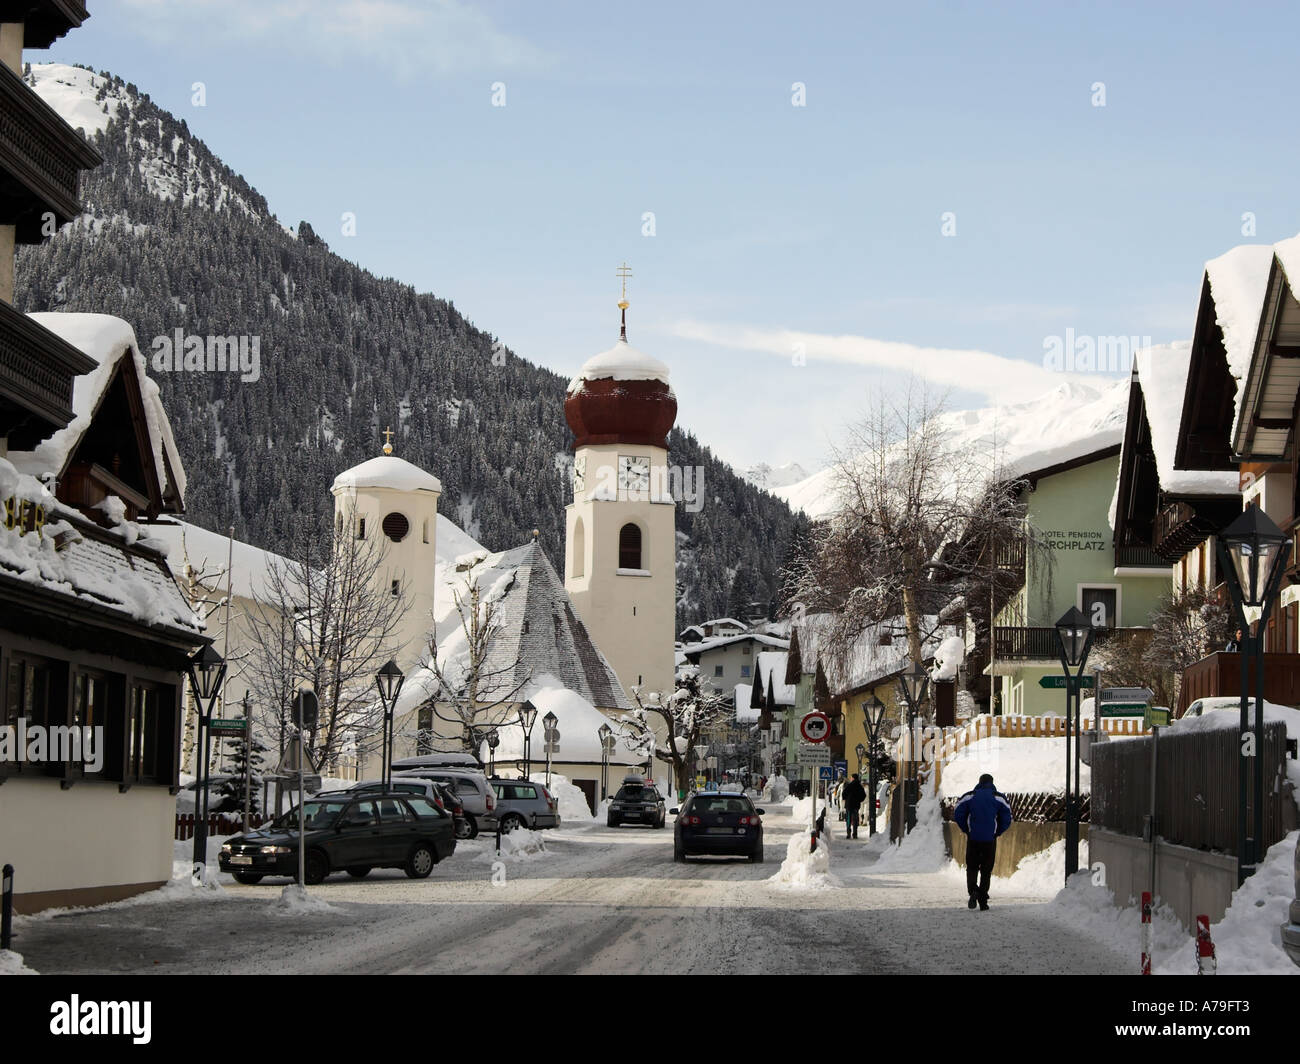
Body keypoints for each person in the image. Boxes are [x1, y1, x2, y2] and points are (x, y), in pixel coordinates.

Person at [953, 773, 1012, 910]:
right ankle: (983, 901)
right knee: (986, 870)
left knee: (972, 867)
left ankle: (973, 890)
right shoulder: (998, 797)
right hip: (990, 840)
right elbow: (1007, 817)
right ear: (992, 782)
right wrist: (998, 832)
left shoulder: (970, 796)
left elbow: (958, 812)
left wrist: (966, 829)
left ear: (979, 782)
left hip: (973, 838)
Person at [841, 772, 867, 838]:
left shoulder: (849, 785)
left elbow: (844, 793)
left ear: (853, 778)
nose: (850, 778)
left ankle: (848, 833)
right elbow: (863, 795)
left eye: (851, 777)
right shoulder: (860, 786)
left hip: (849, 805)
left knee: (848, 819)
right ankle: (855, 834)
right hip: (856, 805)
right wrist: (859, 800)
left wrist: (845, 799)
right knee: (855, 819)